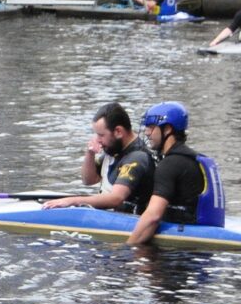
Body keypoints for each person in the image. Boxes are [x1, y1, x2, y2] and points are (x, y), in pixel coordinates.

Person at [128, 102, 226, 244]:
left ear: (167, 129)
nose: (147, 132)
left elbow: (153, 216)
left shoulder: (169, 165)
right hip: (205, 236)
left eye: (151, 127)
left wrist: (126, 248)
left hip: (182, 251)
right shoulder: (193, 158)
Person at [42, 102, 155, 212]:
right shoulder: (114, 149)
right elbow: (89, 180)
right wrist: (90, 153)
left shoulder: (137, 157)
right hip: (111, 214)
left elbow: (116, 198)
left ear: (118, 132)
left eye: (101, 135)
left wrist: (71, 201)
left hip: (130, 220)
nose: (98, 140)